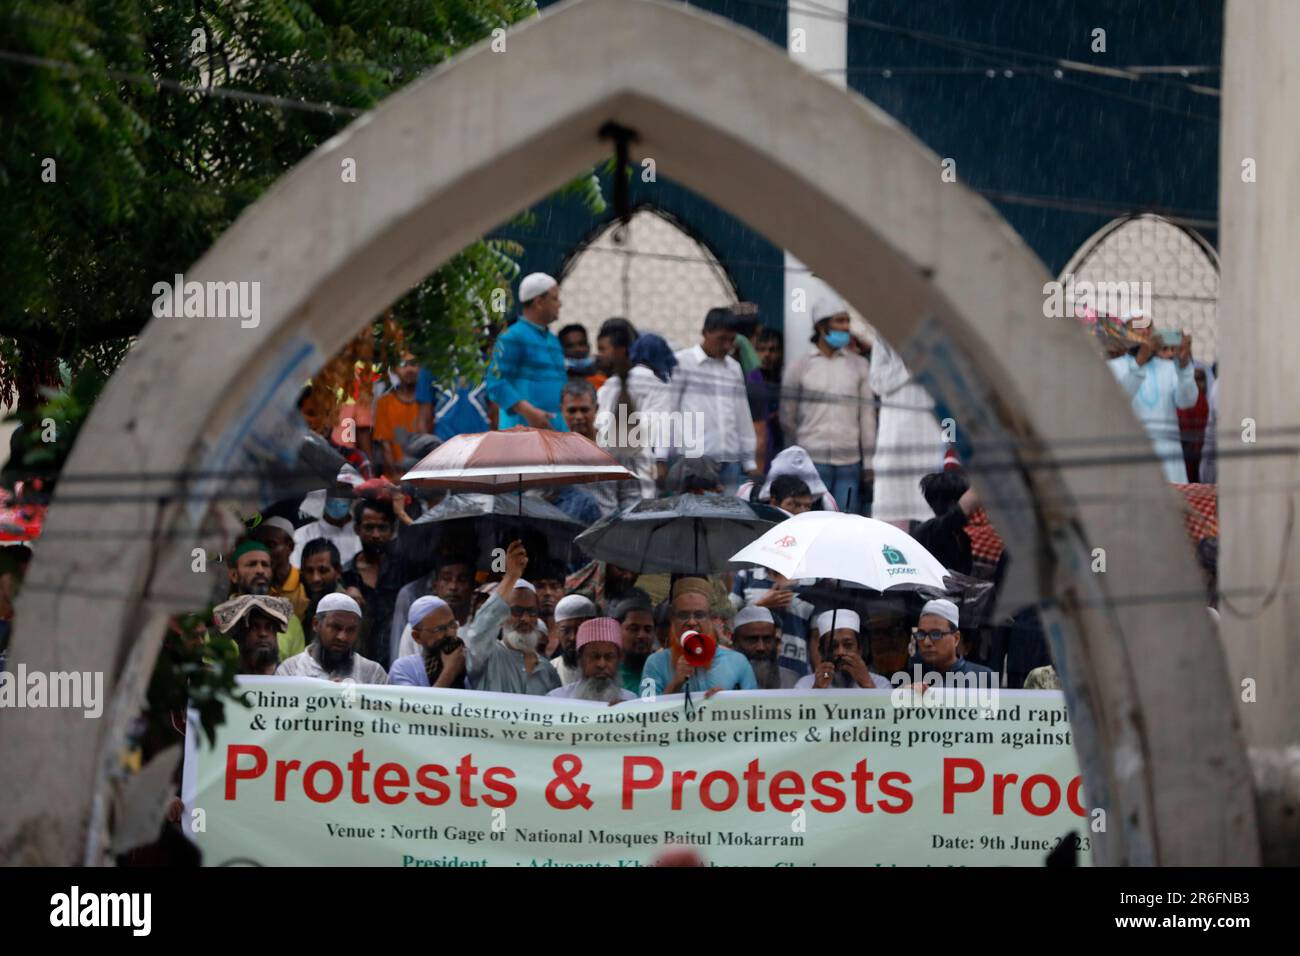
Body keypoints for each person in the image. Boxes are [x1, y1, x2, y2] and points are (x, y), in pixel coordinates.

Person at [781, 295, 876, 513]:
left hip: (849, 462)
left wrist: (869, 463)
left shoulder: (859, 365)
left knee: (845, 521)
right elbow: (788, 415)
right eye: (839, 321)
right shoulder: (800, 366)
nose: (845, 327)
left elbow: (867, 417)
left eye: (846, 321)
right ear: (821, 326)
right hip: (811, 461)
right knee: (811, 519)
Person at [671, 308, 758, 493]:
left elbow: (742, 414)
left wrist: (750, 462)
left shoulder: (733, 368)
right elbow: (670, 410)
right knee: (698, 517)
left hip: (730, 459)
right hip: (697, 462)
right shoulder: (682, 363)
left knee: (729, 518)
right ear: (705, 333)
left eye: (731, 340)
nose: (727, 346)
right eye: (722, 339)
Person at [462, 541, 561, 695]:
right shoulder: (486, 657)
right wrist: (510, 578)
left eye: (532, 612)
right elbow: (479, 631)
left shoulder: (547, 671)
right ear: (501, 614)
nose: (526, 619)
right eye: (517, 611)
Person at [1108, 321, 1198, 483]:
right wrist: (1140, 361)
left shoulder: (1168, 367)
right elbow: (1118, 403)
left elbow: (1187, 402)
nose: (1144, 331)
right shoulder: (1113, 367)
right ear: (1123, 332)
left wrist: (1184, 367)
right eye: (1137, 325)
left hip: (1169, 463)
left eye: (1148, 326)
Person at [869, 336, 946, 525]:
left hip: (931, 434)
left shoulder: (938, 330)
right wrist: (909, 365)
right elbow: (877, 382)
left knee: (932, 508)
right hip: (895, 436)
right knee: (890, 508)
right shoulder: (884, 330)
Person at [642, 577, 757, 695]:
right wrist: (676, 683)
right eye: (683, 615)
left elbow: (754, 707)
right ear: (672, 618)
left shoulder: (737, 662)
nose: (692, 622)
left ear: (711, 618)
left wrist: (725, 702)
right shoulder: (654, 663)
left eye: (699, 615)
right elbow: (644, 707)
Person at [484, 272, 568, 430]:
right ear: (539, 302)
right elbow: (494, 383)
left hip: (555, 431)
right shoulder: (512, 337)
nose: (559, 304)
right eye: (554, 299)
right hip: (523, 432)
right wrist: (529, 413)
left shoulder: (553, 340)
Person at [340, 496, 412, 669]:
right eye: (369, 527)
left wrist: (402, 514)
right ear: (357, 529)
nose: (376, 535)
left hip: (398, 661)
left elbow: (425, 549)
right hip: (358, 667)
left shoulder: (404, 568)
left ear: (392, 530)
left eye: (382, 528)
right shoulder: (347, 575)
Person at [592, 319, 658, 506]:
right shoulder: (610, 385)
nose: (600, 355)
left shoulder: (642, 381)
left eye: (604, 349)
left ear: (622, 350)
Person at [563, 378, 640, 516]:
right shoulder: (554, 452)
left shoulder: (617, 449)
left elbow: (630, 496)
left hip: (608, 530)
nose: (579, 416)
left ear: (596, 409)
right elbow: (541, 496)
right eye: (572, 410)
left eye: (584, 410)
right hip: (567, 530)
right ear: (562, 410)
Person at [277, 593, 388, 684]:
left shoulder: (373, 673)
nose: (342, 637)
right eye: (336, 627)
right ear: (316, 624)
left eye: (350, 630)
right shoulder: (289, 670)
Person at [390, 551, 476, 664]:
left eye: (462, 579)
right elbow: (404, 671)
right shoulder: (416, 626)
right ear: (435, 586)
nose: (453, 586)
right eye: (446, 578)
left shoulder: (480, 628)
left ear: (472, 586)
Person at [227, 539, 305, 661]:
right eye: (252, 564)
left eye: (265, 564)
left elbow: (297, 672)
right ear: (234, 575)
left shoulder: (290, 620)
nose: (260, 570)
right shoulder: (221, 619)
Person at [730, 563, 814, 677]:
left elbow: (816, 637)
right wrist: (760, 605)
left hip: (796, 666)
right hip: (751, 665)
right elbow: (727, 620)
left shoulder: (812, 581)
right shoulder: (747, 575)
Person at [546, 617, 638, 702]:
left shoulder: (631, 702)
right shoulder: (557, 700)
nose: (601, 664)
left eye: (609, 657)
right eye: (594, 657)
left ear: (619, 659)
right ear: (580, 658)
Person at [907, 598, 996, 685]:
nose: (926, 642)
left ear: (956, 638)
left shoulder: (982, 678)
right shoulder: (910, 676)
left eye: (935, 634)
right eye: (921, 634)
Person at [797, 609, 891, 689]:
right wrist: (817, 689)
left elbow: (887, 710)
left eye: (848, 645)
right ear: (822, 652)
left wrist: (866, 684)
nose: (840, 652)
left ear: (860, 649)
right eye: (833, 646)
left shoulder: (880, 683)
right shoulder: (805, 685)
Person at [911, 470, 980, 576]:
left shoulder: (962, 536)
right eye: (960, 499)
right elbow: (960, 512)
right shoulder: (930, 531)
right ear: (952, 502)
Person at [388, 596, 468, 688]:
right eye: (440, 629)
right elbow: (419, 702)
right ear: (417, 637)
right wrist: (450, 672)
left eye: (452, 624)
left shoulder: (469, 662)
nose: (451, 633)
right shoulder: (404, 669)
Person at [372, 351, 426, 478]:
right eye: (403, 365)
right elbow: (386, 446)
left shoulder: (427, 402)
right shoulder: (385, 403)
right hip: (395, 479)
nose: (409, 369)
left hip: (426, 476)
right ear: (395, 369)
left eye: (413, 364)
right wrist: (397, 478)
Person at [212, 594, 294, 676]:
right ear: (239, 635)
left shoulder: (291, 675)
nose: (263, 633)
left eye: (269, 627)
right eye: (254, 628)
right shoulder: (226, 678)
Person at [740, 445, 838, 512]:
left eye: (807, 506)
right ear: (773, 502)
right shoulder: (749, 495)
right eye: (793, 504)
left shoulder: (825, 502)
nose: (801, 511)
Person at [290, 484, 361, 568]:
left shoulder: (364, 532)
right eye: (333, 492)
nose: (338, 498)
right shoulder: (301, 535)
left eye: (343, 491)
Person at [253, 517, 309, 621]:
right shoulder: (254, 584)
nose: (264, 551)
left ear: (290, 547)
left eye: (271, 545)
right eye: (260, 545)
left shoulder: (305, 583)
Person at [731, 606, 800, 689]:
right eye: (752, 639)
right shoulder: (721, 679)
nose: (761, 648)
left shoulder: (792, 681)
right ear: (734, 641)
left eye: (767, 639)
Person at [747, 327, 784, 472]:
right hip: (758, 450)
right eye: (761, 350)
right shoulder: (752, 378)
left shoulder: (785, 377)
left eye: (772, 350)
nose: (767, 355)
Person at [551, 594, 598, 686]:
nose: (573, 637)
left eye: (580, 630)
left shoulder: (607, 669)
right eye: (566, 631)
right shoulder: (551, 670)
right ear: (557, 631)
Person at [613, 595, 656, 695]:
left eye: (648, 630)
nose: (642, 635)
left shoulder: (660, 671)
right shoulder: (606, 671)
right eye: (634, 629)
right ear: (617, 630)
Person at [558, 323, 606, 390]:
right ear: (561, 350)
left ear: (588, 346)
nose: (577, 349)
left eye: (581, 344)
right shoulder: (557, 378)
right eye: (570, 346)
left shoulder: (603, 377)